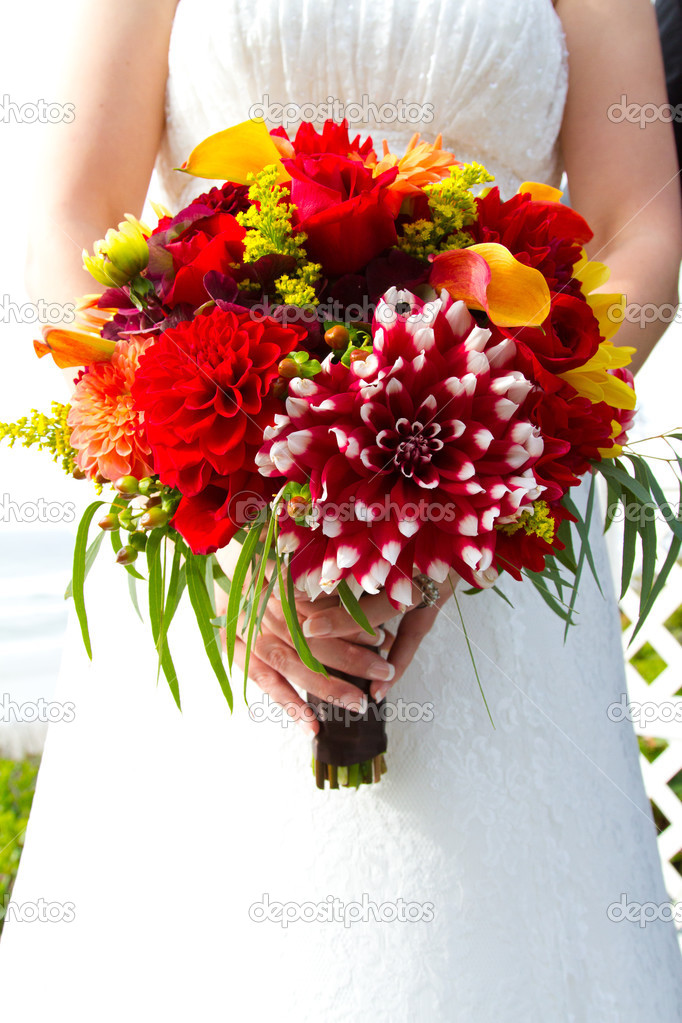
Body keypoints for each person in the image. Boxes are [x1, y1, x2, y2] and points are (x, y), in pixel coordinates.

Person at [3, 0, 682, 1019]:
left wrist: (490, 449)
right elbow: (69, 223)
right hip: (213, 519)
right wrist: (230, 511)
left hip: (492, 535)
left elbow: (641, 221)